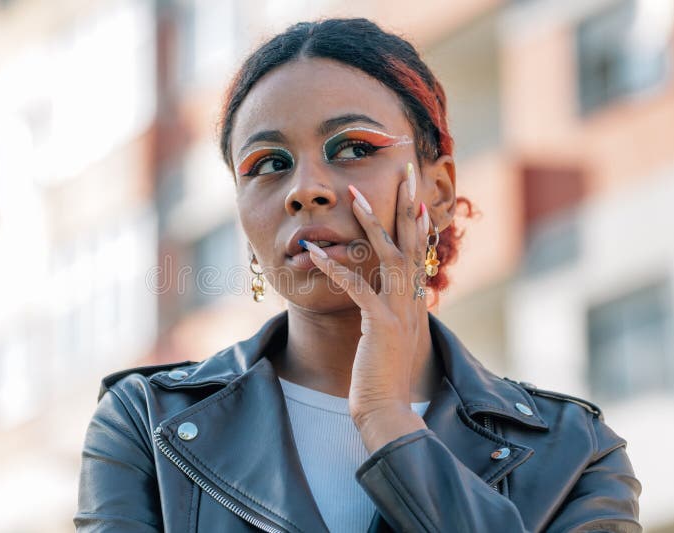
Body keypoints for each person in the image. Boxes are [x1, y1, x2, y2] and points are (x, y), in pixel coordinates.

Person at [75, 18, 641, 532]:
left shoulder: (575, 454)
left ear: (438, 191)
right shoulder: (146, 426)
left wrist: (386, 422)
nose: (305, 190)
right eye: (268, 163)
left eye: (352, 148)